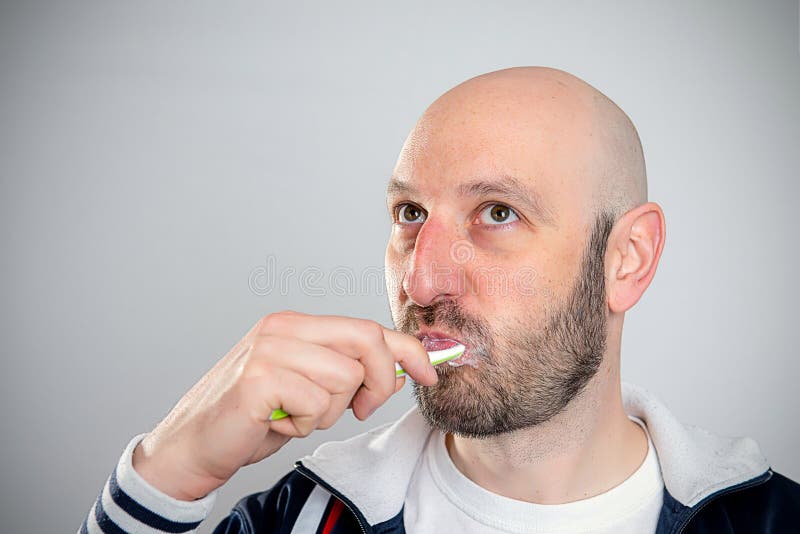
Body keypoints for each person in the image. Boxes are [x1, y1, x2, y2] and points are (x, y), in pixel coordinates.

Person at [79, 67, 799, 534]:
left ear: (627, 258)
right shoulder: (302, 521)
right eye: (411, 215)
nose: (422, 286)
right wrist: (172, 470)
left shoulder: (774, 520)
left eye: (497, 213)